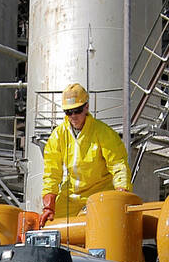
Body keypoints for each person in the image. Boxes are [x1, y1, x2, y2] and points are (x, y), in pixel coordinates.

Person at [40, 83, 131, 224]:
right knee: (50, 227)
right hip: (70, 196)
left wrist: (121, 191)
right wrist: (49, 205)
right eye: (68, 112)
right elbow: (52, 173)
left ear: (86, 107)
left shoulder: (103, 133)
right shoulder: (58, 136)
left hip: (99, 194)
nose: (73, 116)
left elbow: (118, 164)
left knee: (104, 228)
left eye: (77, 110)